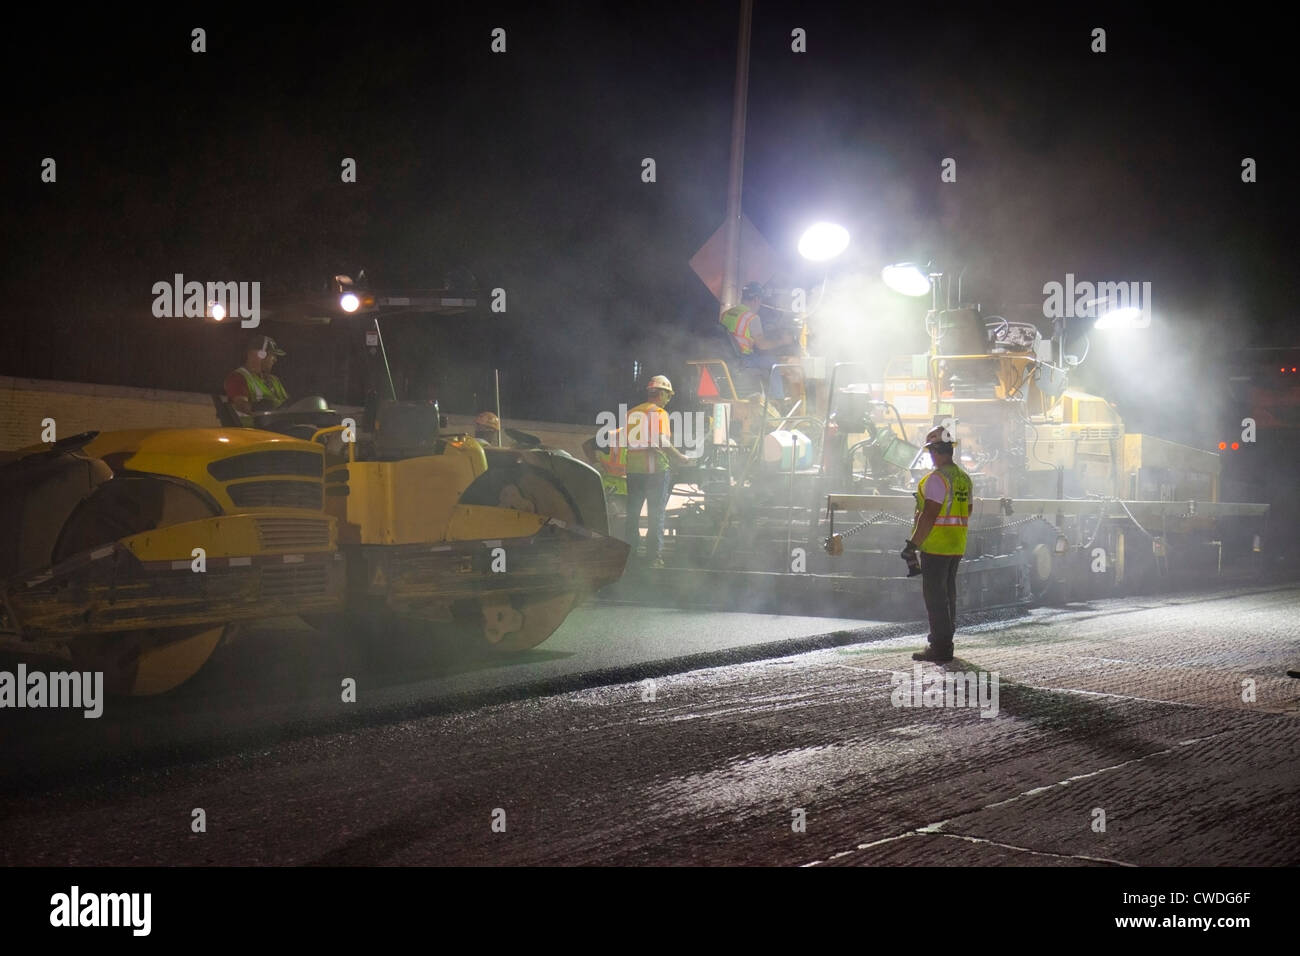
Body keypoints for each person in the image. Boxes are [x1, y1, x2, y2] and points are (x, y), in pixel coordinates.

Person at [902, 424, 972, 663]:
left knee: (935, 597)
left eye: (931, 451)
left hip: (936, 545)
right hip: (957, 544)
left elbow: (929, 514)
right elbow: (968, 510)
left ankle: (940, 647)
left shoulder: (935, 479)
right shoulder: (963, 478)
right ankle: (946, 641)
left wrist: (913, 544)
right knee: (948, 594)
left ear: (935, 451)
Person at [624, 375, 691, 568]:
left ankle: (630, 554)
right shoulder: (659, 413)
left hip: (634, 471)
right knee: (656, 514)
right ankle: (653, 558)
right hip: (655, 472)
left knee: (633, 514)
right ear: (661, 394)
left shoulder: (631, 413)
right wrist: (680, 457)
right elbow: (661, 441)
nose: (668, 400)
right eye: (668, 396)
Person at [718, 282, 797, 398]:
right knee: (773, 363)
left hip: (727, 358)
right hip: (744, 360)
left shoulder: (725, 314)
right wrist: (782, 341)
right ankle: (778, 398)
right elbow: (762, 345)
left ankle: (763, 394)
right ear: (756, 299)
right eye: (760, 300)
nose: (760, 304)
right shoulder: (752, 318)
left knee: (761, 358)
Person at [224, 335, 289, 425]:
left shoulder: (275, 380)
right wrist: (262, 407)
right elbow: (241, 405)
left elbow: (289, 405)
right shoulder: (238, 377)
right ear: (261, 354)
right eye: (273, 355)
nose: (275, 360)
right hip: (253, 433)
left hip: (279, 429)